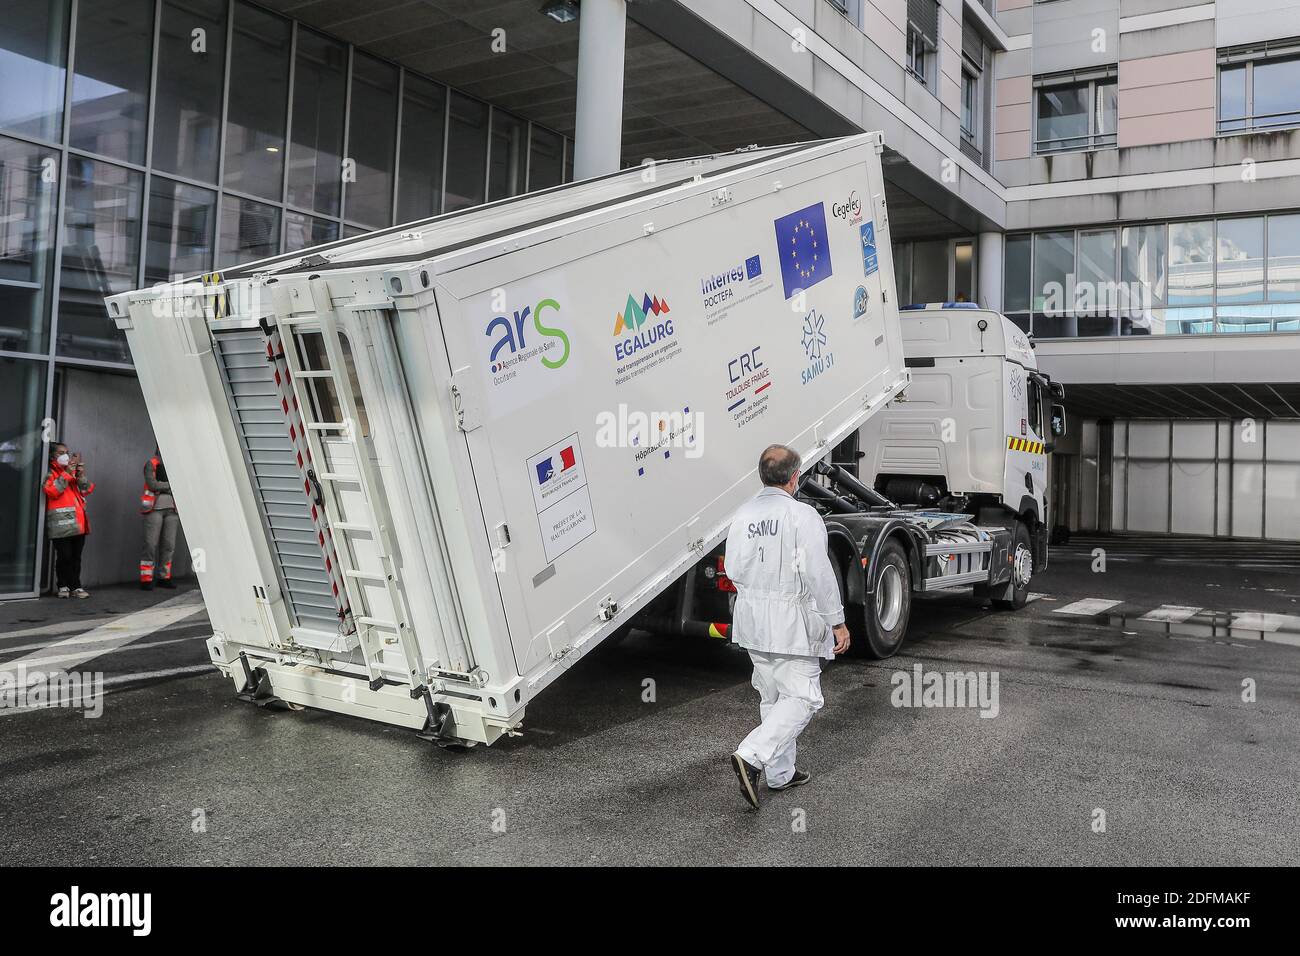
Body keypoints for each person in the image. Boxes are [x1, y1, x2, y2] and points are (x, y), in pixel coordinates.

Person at [726, 444, 850, 809]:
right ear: (795, 477)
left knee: (772, 697)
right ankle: (751, 755)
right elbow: (817, 572)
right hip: (791, 622)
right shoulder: (802, 515)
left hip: (752, 620)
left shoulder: (743, 515)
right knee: (803, 697)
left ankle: (781, 773)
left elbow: (733, 568)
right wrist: (837, 622)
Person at [42, 441, 94, 599]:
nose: (65, 455)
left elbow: (87, 489)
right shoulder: (51, 472)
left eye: (67, 452)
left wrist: (80, 475)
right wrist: (66, 474)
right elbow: (51, 491)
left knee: (76, 557)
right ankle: (63, 585)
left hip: (79, 523)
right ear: (52, 455)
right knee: (65, 556)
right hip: (61, 524)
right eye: (61, 453)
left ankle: (76, 586)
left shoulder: (70, 472)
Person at [139, 447, 179, 590]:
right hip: (154, 508)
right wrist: (171, 485)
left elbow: (181, 484)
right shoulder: (151, 463)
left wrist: (164, 487)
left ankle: (164, 577)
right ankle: (146, 579)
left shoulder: (176, 464)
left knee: (169, 545)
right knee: (150, 544)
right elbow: (152, 484)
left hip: (172, 510)